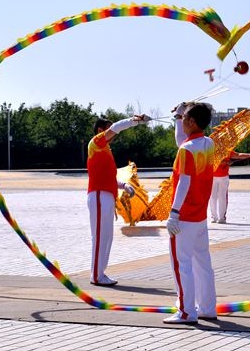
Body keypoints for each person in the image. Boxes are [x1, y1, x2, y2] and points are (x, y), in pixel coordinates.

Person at [164, 102, 219, 325]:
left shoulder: (186, 150)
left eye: (185, 118)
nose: (182, 121)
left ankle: (186, 312)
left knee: (182, 264)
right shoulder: (208, 144)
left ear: (192, 122)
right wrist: (179, 115)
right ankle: (207, 308)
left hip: (184, 217)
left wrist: (174, 213)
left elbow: (183, 182)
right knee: (203, 264)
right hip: (200, 217)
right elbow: (183, 142)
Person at [87, 114, 149, 286]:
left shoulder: (105, 149)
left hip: (106, 196)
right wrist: (134, 121)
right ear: (101, 130)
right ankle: (96, 275)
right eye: (109, 129)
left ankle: (100, 273)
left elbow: (107, 177)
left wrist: (123, 185)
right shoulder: (96, 143)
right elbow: (117, 128)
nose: (114, 134)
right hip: (98, 195)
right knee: (99, 236)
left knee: (106, 237)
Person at [209, 150, 250, 224]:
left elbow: (238, 155)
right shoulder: (210, 150)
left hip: (224, 177)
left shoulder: (227, 150)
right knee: (213, 197)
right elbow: (210, 160)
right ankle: (214, 217)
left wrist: (249, 155)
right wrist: (225, 162)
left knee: (222, 197)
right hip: (212, 177)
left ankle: (222, 218)